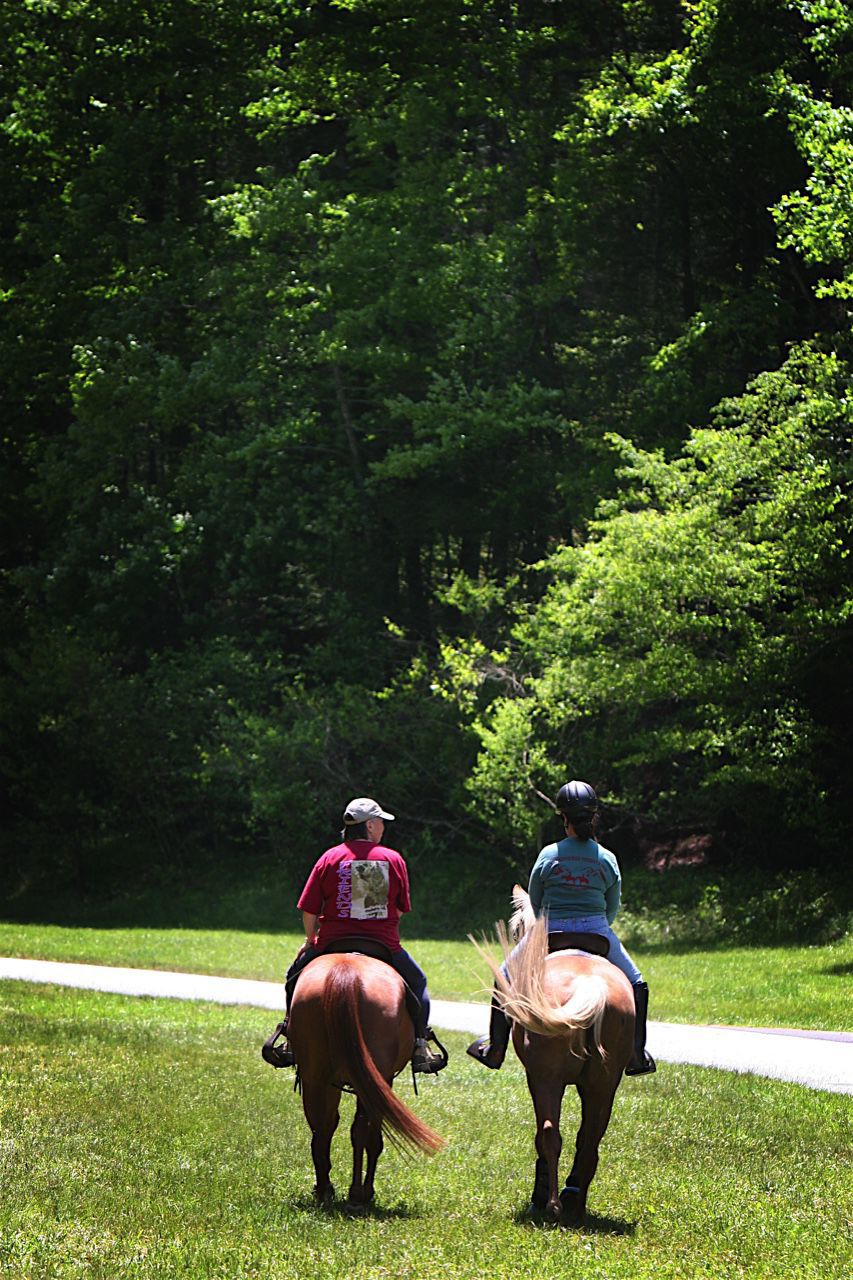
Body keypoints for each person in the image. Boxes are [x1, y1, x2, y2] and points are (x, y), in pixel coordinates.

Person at [466, 779, 656, 1076]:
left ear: (564, 817)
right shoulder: (607, 858)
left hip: (550, 932)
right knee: (637, 983)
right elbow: (612, 906)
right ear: (593, 816)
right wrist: (595, 923)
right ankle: (635, 1053)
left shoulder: (548, 854)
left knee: (503, 975)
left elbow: (536, 901)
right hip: (597, 931)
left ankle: (496, 1048)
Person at [264, 797, 447, 1074]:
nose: (383, 827)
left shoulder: (329, 858)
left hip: (332, 943)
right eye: (380, 822)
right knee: (418, 983)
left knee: (293, 978)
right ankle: (420, 1045)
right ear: (370, 826)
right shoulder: (392, 859)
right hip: (383, 945)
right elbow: (400, 909)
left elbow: (309, 910)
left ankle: (290, 1035)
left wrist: (310, 940)